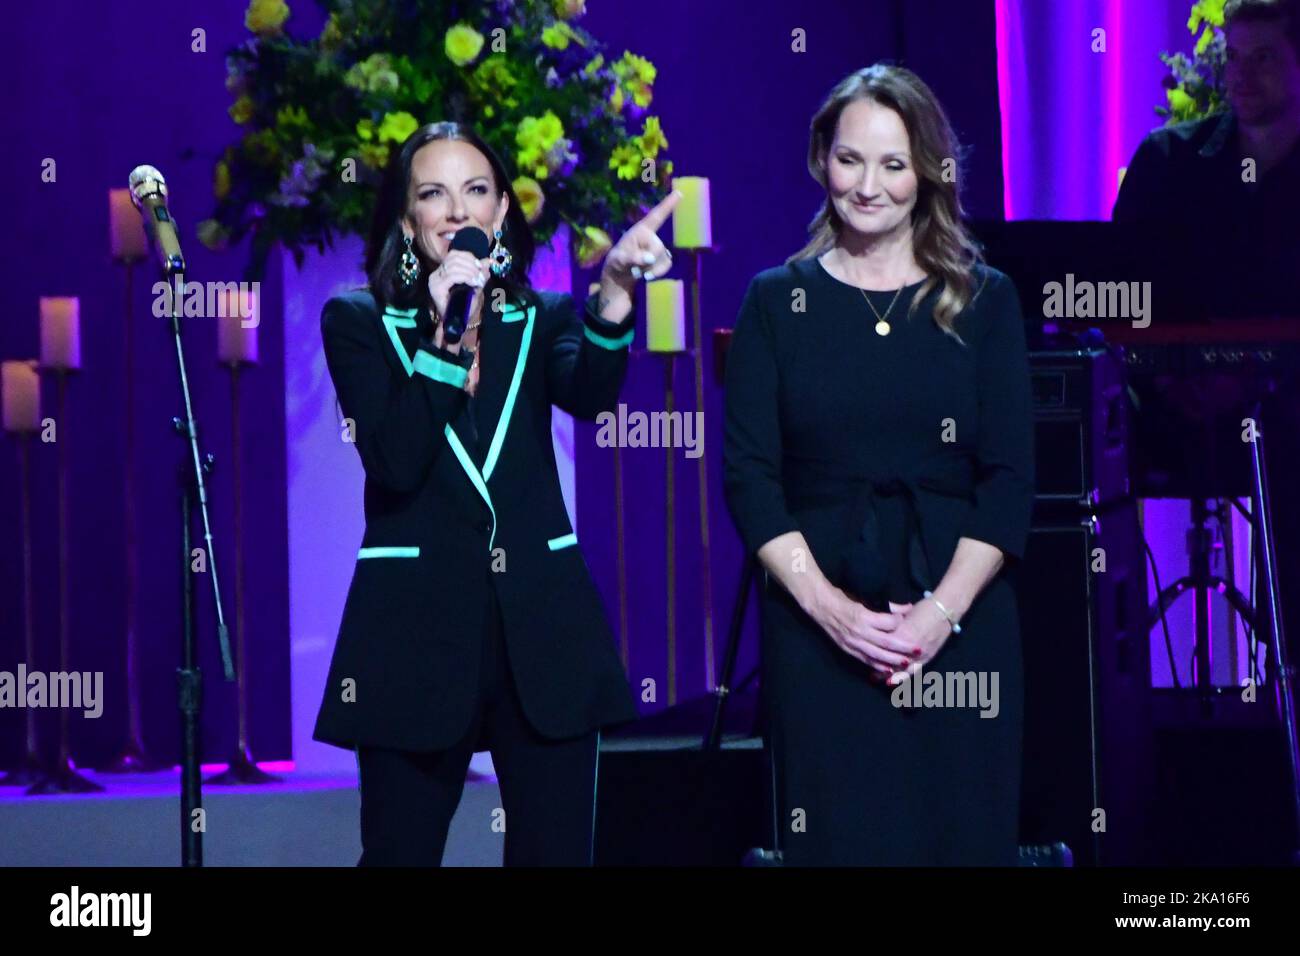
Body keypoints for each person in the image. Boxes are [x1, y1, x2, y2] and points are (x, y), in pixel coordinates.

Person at [311, 121, 680, 866]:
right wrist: (447, 347)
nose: (457, 211)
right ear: (409, 221)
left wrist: (611, 293)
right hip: (413, 633)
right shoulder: (358, 322)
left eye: (475, 191)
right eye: (433, 194)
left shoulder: (541, 319)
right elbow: (392, 458)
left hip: (542, 632)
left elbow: (591, 394)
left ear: (502, 213)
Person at [723, 64, 1035, 866]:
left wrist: (936, 617)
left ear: (929, 172)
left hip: (961, 627)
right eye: (850, 159)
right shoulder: (774, 302)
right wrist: (833, 614)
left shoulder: (985, 299)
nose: (868, 186)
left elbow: (1008, 481)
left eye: (893, 164)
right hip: (820, 629)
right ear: (821, 158)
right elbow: (751, 481)